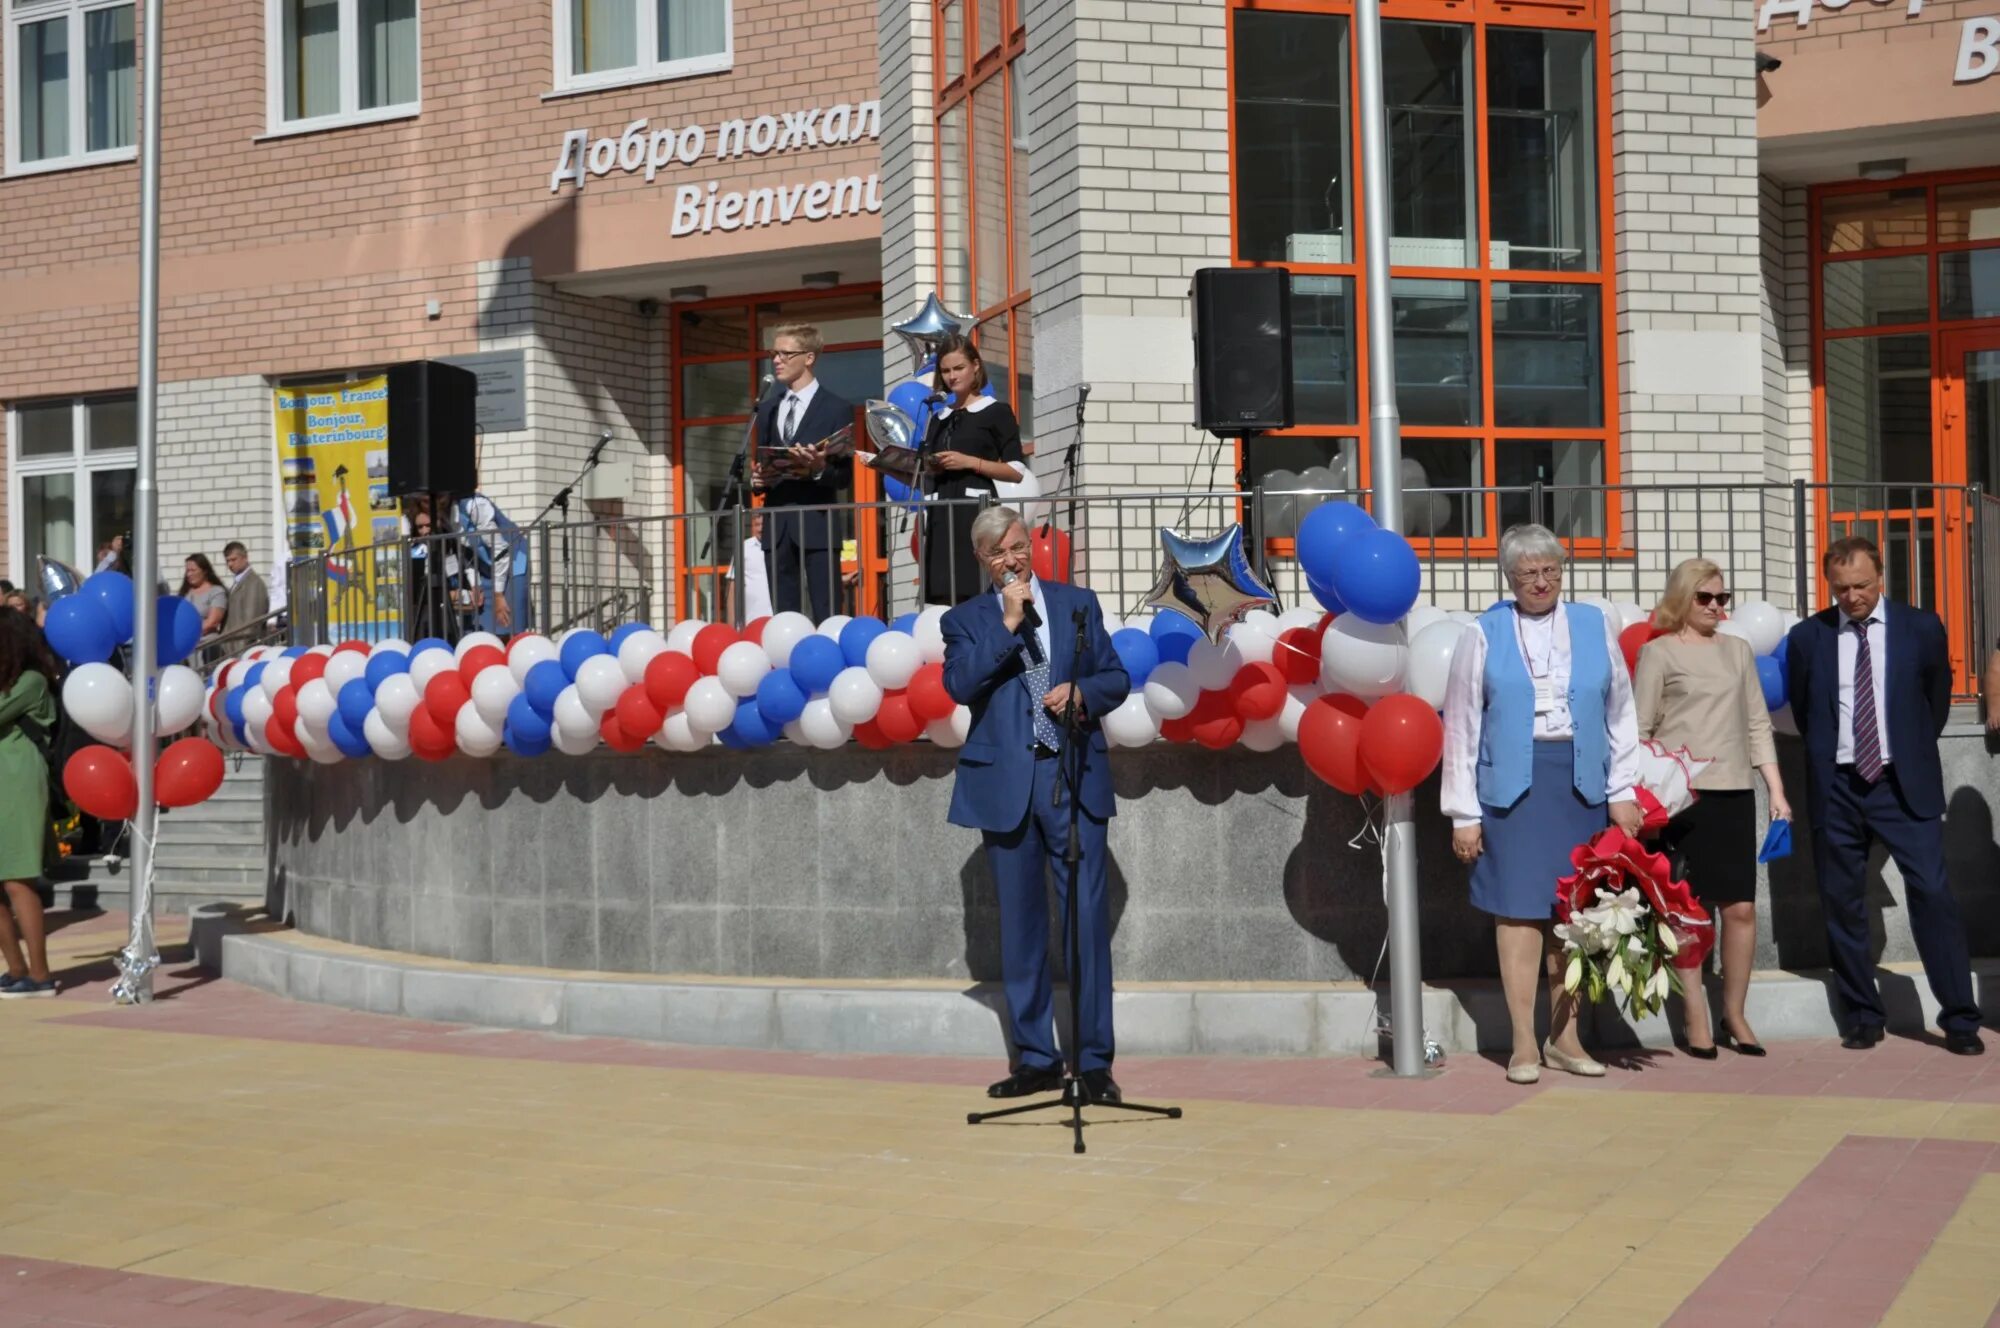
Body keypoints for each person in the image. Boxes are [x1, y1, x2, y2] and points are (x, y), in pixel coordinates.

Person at [941, 505, 1131, 1104]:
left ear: (1032, 545)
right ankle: (1035, 1059)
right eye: (998, 553)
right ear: (982, 560)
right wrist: (1008, 621)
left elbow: (1116, 678)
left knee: (1085, 926)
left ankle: (1094, 1063)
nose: (1012, 559)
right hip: (1007, 786)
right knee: (1021, 929)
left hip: (1072, 776)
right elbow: (960, 685)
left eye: (1019, 546)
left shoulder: (1078, 604)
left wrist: (1083, 692)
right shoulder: (965, 620)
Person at [1442, 524, 1644, 1084]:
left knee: (1573, 915)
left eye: (1551, 570)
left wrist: (1623, 790)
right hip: (1512, 791)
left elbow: (1621, 712)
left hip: (1579, 787)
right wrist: (1463, 813)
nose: (1541, 581)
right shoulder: (1482, 632)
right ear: (1509, 577)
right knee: (1517, 911)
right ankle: (1523, 1042)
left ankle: (1565, 1036)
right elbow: (1461, 726)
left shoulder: (1593, 624)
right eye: (1529, 572)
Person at [1783, 537, 1983, 1055]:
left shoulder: (1921, 628)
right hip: (1838, 786)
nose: (1852, 597)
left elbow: (1935, 700)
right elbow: (1806, 711)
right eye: (1841, 589)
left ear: (1880, 577)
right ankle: (1862, 1015)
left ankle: (1960, 1019)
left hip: (1902, 784)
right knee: (1842, 901)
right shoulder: (1808, 637)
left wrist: (1906, 750)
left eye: (1861, 586)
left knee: (1933, 894)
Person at [1635, 559, 1792, 1058]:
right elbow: (1639, 731)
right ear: (1682, 599)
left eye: (1722, 598)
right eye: (1704, 598)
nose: (1715, 607)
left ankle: (1734, 1013)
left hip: (1734, 793)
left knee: (1740, 908)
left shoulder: (1737, 650)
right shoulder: (1657, 653)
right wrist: (1643, 800)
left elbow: (1757, 724)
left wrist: (1777, 792)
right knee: (1690, 911)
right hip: (1682, 800)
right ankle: (1695, 1015)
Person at [752, 324, 853, 622]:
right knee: (784, 618)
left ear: (809, 358)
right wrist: (757, 480)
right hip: (777, 525)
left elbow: (844, 477)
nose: (777, 360)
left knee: (827, 611)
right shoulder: (768, 409)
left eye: (785, 353)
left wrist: (819, 467)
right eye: (774, 353)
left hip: (817, 522)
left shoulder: (836, 408)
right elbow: (763, 463)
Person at [920, 335, 1026, 606]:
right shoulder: (938, 417)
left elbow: (1015, 470)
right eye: (945, 370)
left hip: (976, 513)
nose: (952, 376)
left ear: (975, 366)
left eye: (959, 368)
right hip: (941, 516)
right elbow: (926, 472)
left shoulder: (996, 412)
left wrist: (969, 462)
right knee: (944, 595)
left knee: (978, 589)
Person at [0, 607, 60, 997]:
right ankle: (16, 967)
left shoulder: (32, 681)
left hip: (17, 781)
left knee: (17, 879)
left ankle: (40, 975)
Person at [452, 485, 531, 640]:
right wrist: (475, 583)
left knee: (509, 619)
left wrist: (498, 595)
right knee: (483, 624)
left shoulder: (475, 505)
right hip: (486, 565)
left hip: (514, 559)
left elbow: (501, 548)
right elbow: (466, 553)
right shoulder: (448, 514)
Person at [725, 511, 773, 624]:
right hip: (751, 620)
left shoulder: (780, 545)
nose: (760, 529)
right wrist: (731, 623)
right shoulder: (743, 548)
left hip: (777, 619)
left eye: (763, 524)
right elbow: (732, 586)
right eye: (756, 525)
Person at [221, 540, 270, 636]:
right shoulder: (238, 582)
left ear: (245, 558)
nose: (230, 564)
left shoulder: (254, 583)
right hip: (231, 641)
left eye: (233, 560)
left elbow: (251, 623)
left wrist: (243, 644)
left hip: (242, 642)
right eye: (227, 561)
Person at [180, 554, 228, 638]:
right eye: (187, 571)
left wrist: (189, 633)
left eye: (193, 570)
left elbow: (212, 622)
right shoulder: (185, 593)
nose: (189, 574)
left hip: (206, 642)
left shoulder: (216, 592)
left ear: (204, 571)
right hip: (185, 642)